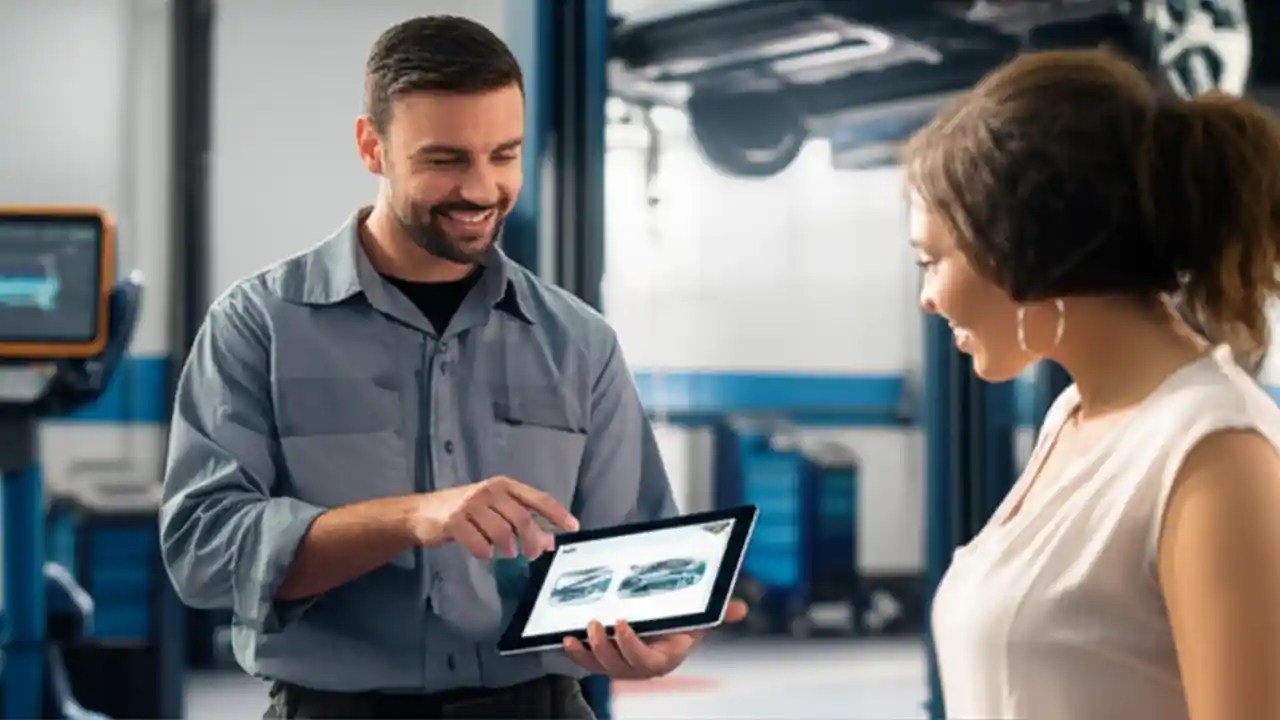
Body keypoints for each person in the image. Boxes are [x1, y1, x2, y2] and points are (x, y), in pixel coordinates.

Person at [159, 15, 744, 719]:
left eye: (504, 155)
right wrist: (409, 518)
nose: (481, 188)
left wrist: (658, 638)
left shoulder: (578, 341)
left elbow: (634, 548)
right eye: (445, 160)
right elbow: (201, 549)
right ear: (371, 147)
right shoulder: (259, 325)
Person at [908, 48, 1280, 719]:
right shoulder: (1074, 415)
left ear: (1023, 243)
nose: (927, 299)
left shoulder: (1215, 454)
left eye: (932, 260)